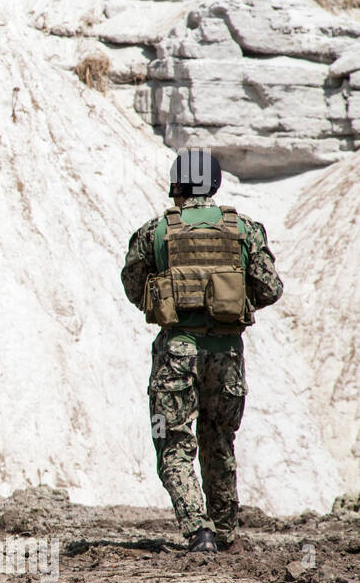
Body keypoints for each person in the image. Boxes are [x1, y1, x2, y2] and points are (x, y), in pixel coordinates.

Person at [120, 149, 283, 552]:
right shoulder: (245, 229)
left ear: (177, 185)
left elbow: (133, 286)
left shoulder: (155, 232)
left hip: (177, 353)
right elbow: (270, 289)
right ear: (214, 184)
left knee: (174, 441)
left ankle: (199, 529)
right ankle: (226, 532)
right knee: (219, 441)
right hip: (227, 355)